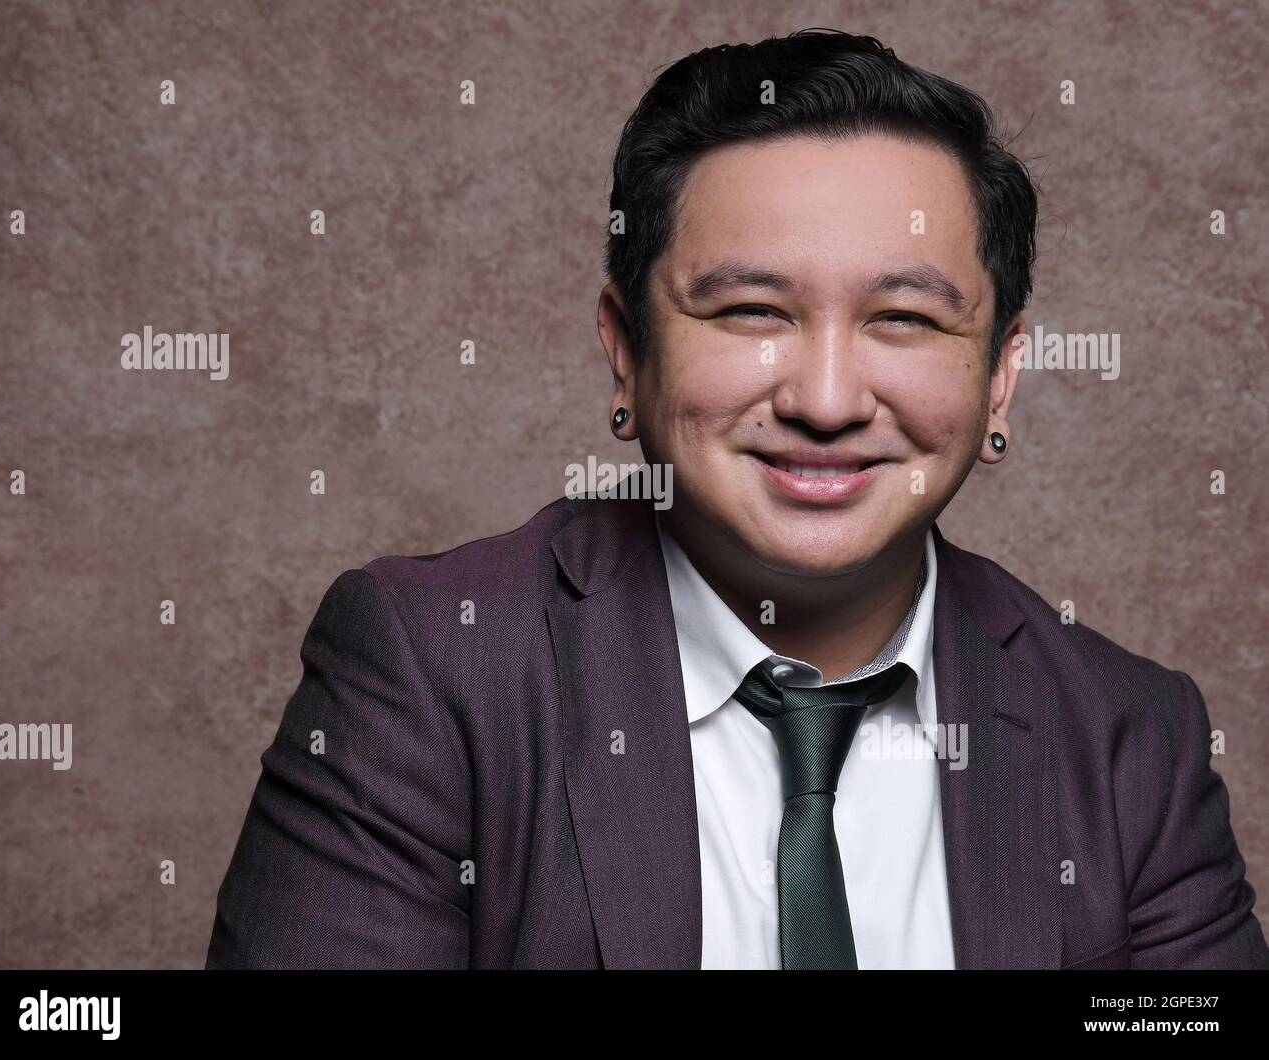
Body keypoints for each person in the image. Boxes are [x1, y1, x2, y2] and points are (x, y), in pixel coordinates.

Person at [205, 29, 1268, 969]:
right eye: (753, 311)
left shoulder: (1131, 733)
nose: (823, 399)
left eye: (903, 319)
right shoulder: (434, 669)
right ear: (626, 354)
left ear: (998, 376)